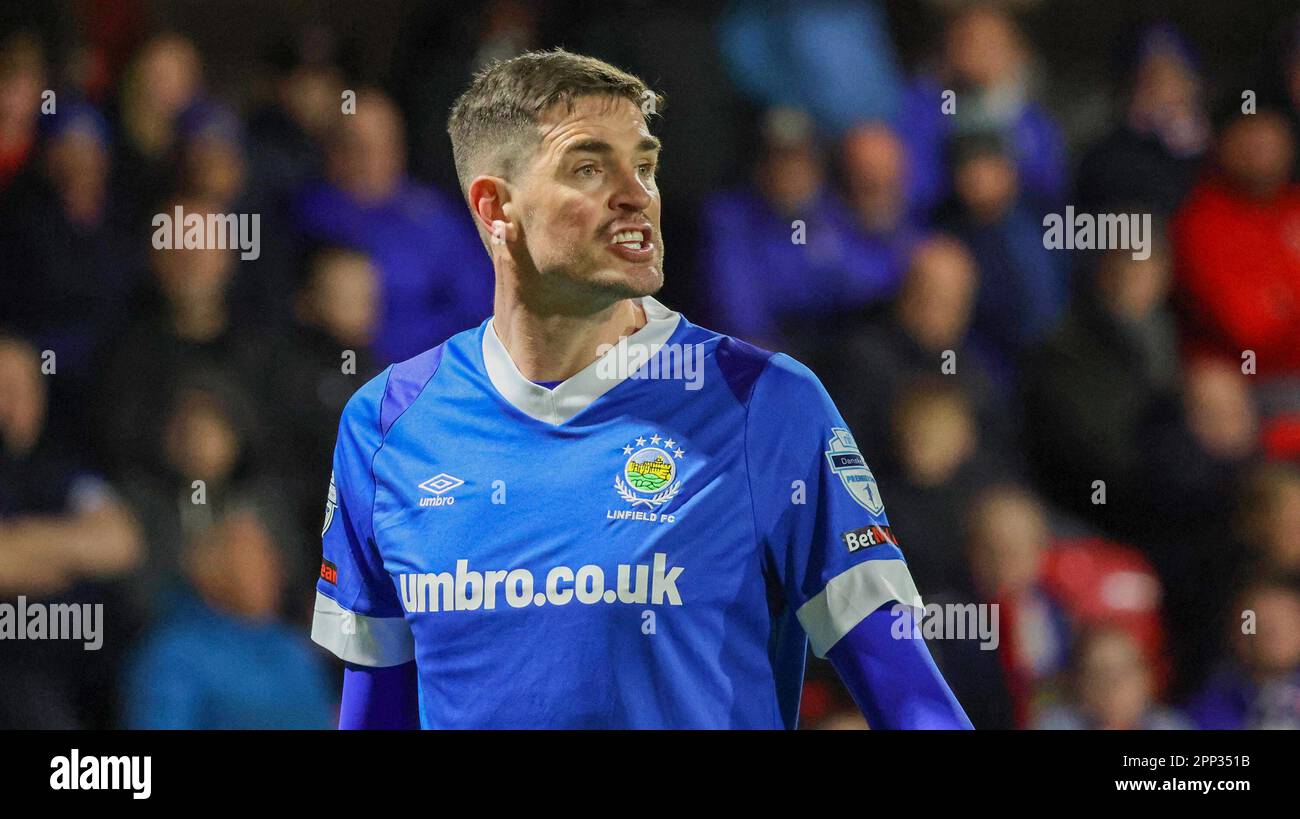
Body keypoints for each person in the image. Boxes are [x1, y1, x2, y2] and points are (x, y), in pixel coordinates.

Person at [310, 49, 971, 729]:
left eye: (646, 165)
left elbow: (910, 699)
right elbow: (375, 712)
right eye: (590, 168)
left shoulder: (762, 404)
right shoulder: (387, 423)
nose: (636, 194)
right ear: (495, 206)